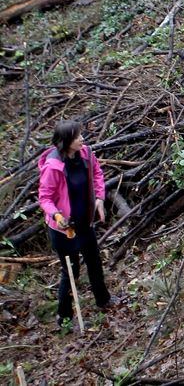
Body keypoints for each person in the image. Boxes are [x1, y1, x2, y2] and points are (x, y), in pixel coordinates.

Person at [38, 121, 117, 328]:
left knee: (94, 261)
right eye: (77, 137)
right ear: (66, 142)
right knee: (70, 272)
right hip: (64, 229)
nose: (82, 139)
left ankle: (104, 300)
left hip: (85, 222)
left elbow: (98, 174)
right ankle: (64, 318)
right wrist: (56, 215)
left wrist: (99, 197)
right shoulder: (53, 166)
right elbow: (44, 198)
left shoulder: (86, 155)